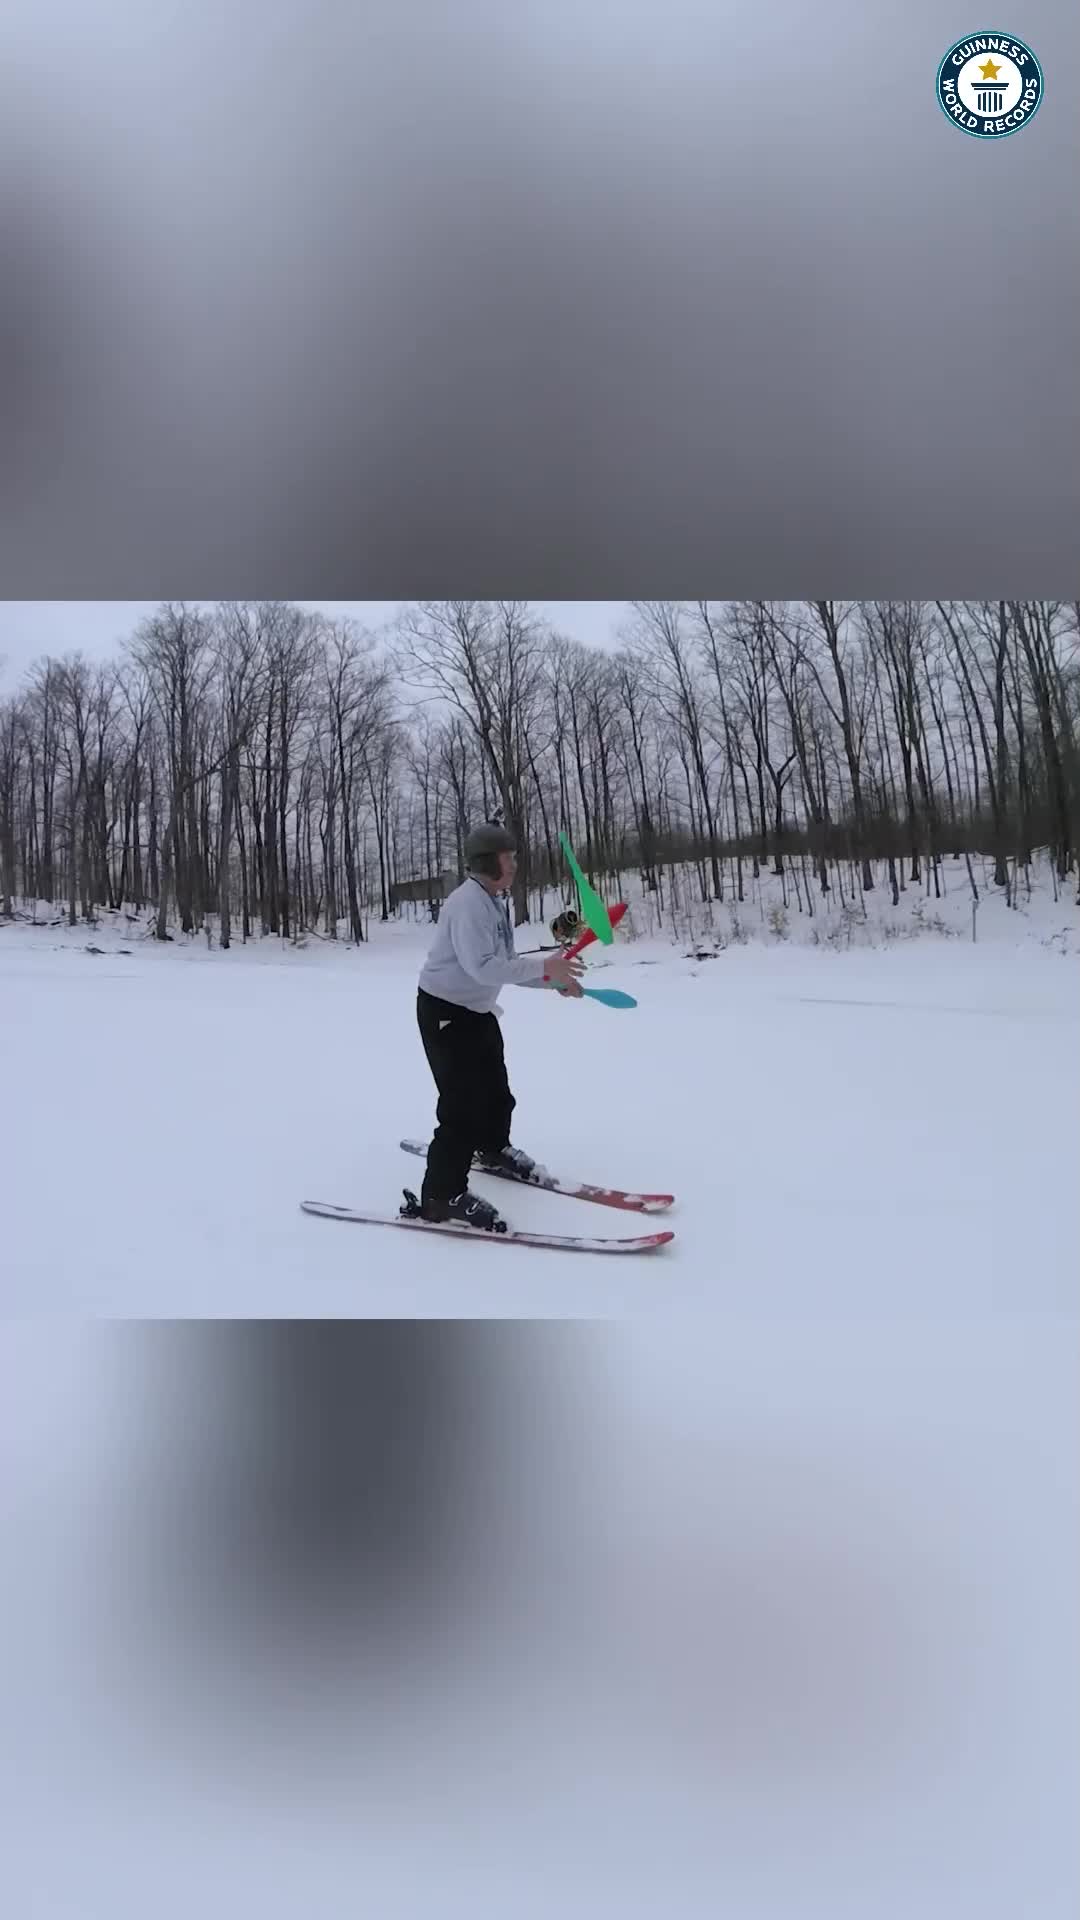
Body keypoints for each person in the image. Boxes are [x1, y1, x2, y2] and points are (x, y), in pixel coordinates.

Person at [409, 823, 585, 1231]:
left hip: (474, 1010)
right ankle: (440, 1194)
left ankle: (490, 1148)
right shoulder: (467, 904)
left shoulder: (491, 901)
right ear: (491, 862)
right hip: (445, 1011)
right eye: (510, 857)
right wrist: (546, 966)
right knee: (461, 1105)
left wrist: (553, 980)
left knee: (495, 1091)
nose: (516, 864)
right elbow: (483, 968)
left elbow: (501, 966)